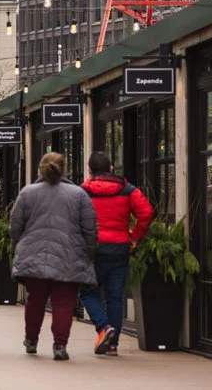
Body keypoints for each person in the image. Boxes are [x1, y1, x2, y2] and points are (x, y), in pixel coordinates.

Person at [10, 152, 98, 361]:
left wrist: (20, 246)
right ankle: (60, 346)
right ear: (64, 168)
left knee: (35, 300)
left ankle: (31, 340)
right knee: (64, 303)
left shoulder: (27, 193)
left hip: (34, 255)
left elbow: (15, 225)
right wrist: (89, 253)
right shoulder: (78, 194)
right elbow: (90, 228)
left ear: (40, 168)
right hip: (69, 257)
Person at [80, 151, 154, 356]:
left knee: (87, 291)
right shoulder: (128, 190)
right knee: (115, 297)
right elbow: (146, 213)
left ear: (90, 170)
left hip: (92, 250)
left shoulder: (83, 192)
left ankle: (104, 328)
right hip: (119, 249)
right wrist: (135, 236)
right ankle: (112, 345)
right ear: (111, 168)